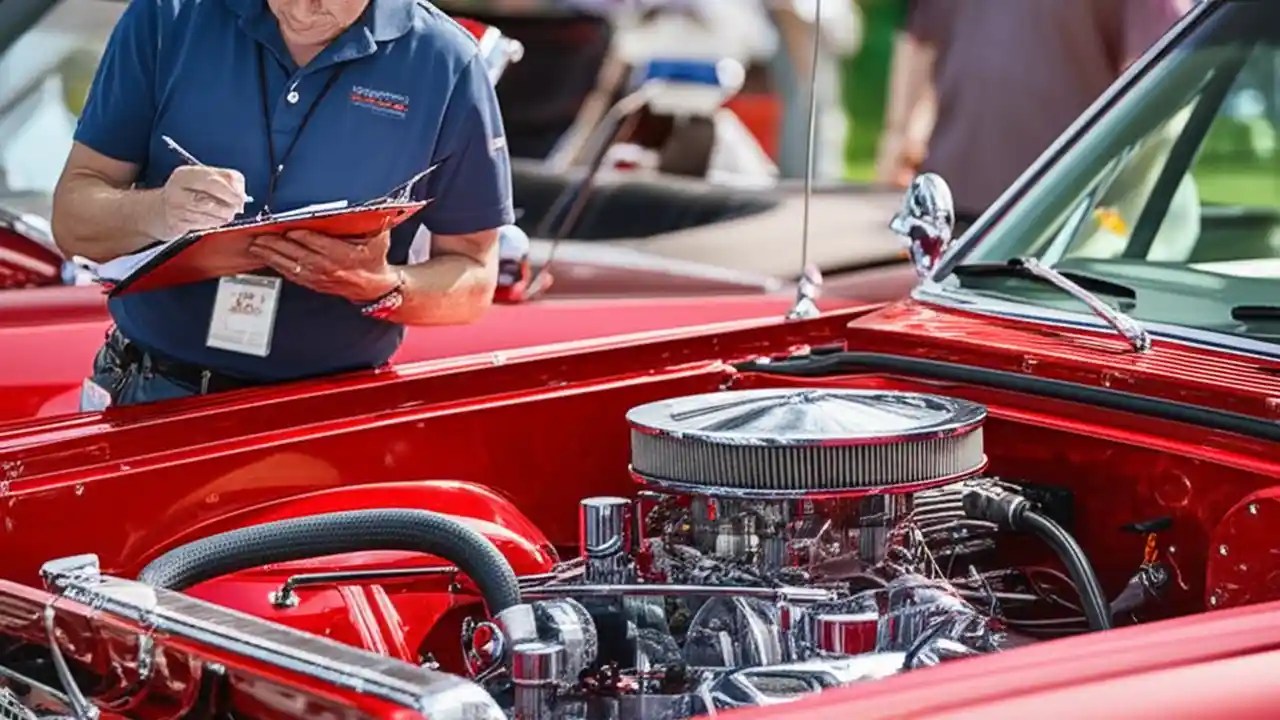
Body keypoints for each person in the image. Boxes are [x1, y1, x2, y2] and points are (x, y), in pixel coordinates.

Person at [52, 0, 515, 409]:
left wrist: (380, 285)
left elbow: (474, 276)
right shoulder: (167, 15)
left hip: (327, 415)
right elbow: (73, 219)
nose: (299, 10)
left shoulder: (444, 62)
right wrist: (158, 213)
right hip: (151, 393)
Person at [875, 0, 1192, 235]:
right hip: (951, 202)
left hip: (1057, 218)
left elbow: (1167, 76)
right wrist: (899, 135)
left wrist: (1116, 200)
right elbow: (921, 41)